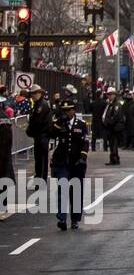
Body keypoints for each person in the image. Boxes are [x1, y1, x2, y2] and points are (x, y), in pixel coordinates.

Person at [50, 101, 90, 231]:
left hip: (76, 162)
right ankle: (62, 218)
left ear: (73, 111)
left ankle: (75, 219)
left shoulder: (81, 125)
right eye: (64, 111)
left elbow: (85, 141)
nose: (67, 113)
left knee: (76, 191)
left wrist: (83, 157)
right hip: (62, 161)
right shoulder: (60, 123)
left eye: (69, 110)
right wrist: (57, 124)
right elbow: (51, 134)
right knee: (62, 188)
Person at [26, 86, 54, 182]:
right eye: (32, 93)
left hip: (42, 135)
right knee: (38, 159)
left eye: (34, 93)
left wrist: (30, 130)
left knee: (42, 160)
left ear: (39, 93)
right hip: (39, 135)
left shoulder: (42, 105)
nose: (32, 95)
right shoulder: (38, 104)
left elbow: (38, 121)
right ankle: (39, 178)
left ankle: (41, 180)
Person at [102, 88, 124, 165]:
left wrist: (108, 122)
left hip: (114, 127)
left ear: (114, 95)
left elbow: (115, 116)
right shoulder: (110, 104)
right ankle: (114, 158)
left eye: (111, 94)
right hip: (110, 127)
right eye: (108, 94)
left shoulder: (116, 104)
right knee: (111, 143)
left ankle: (114, 159)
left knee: (113, 143)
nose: (109, 96)